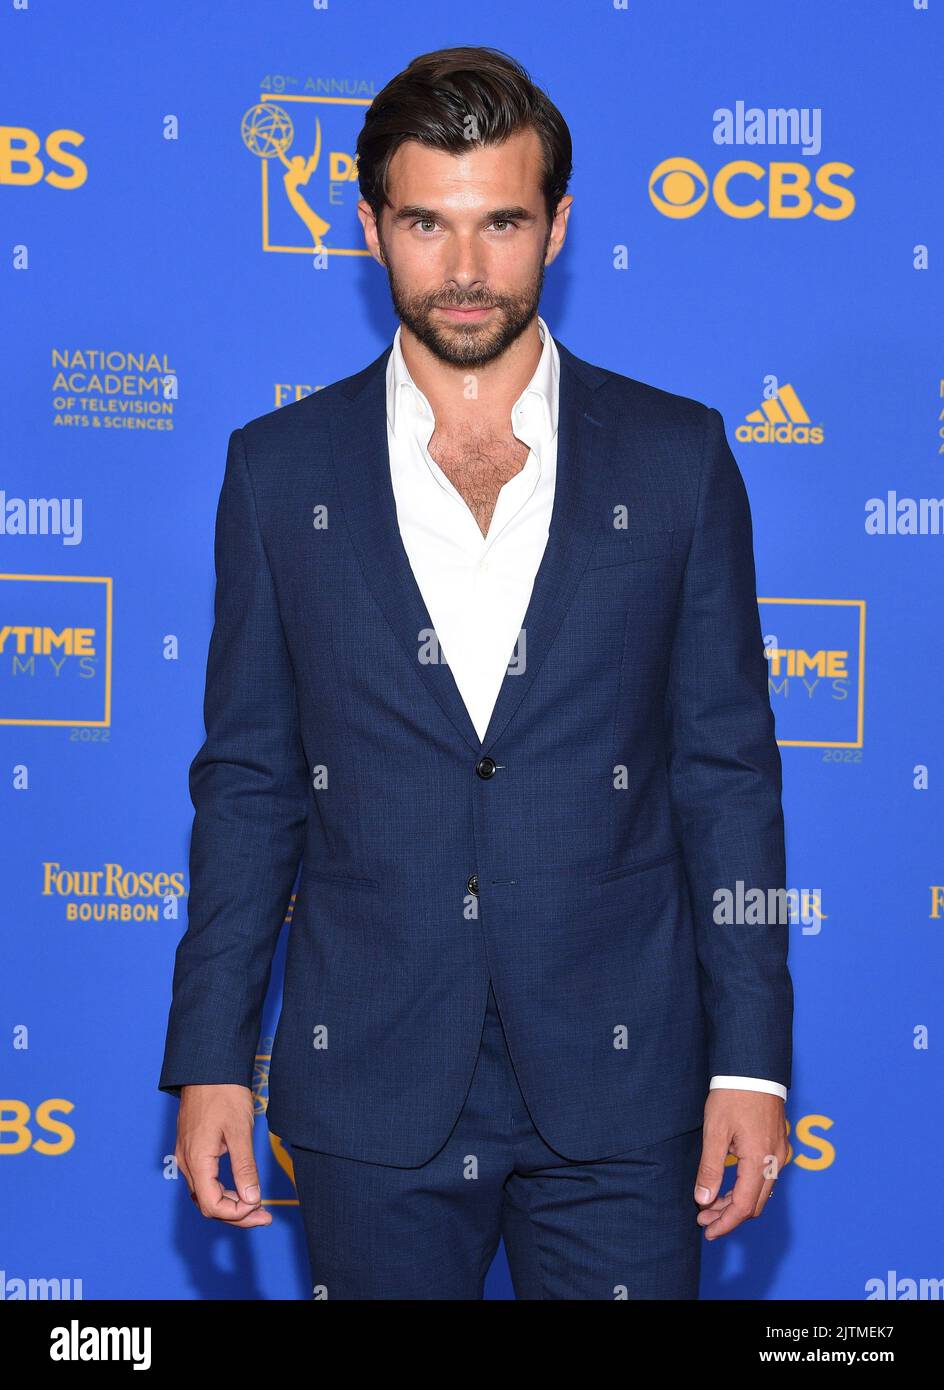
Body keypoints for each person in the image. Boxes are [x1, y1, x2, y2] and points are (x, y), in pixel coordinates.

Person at [159, 46, 793, 1300]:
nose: (462, 270)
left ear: (556, 226)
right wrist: (211, 1055)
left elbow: (729, 780)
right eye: (425, 224)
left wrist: (752, 1061)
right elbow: (247, 783)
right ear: (369, 229)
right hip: (372, 1077)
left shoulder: (676, 460)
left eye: (499, 221)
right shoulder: (278, 473)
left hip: (623, 1082)